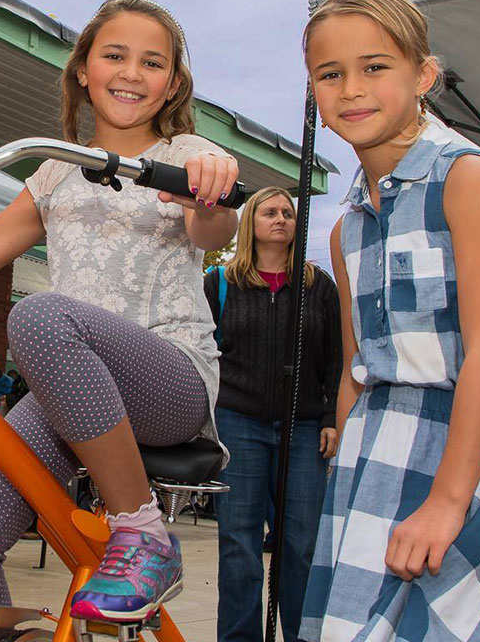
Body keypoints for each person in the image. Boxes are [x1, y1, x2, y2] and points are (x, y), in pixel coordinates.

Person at [0, 0, 239, 620]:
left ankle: (143, 532)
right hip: (70, 387)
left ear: (173, 83)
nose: (132, 73)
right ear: (82, 69)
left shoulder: (185, 158)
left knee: (41, 315)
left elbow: (213, 236)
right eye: (115, 56)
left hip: (170, 381)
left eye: (152, 63)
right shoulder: (55, 172)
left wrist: (214, 189)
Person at [298, 0, 480, 642]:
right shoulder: (346, 226)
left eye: (375, 67)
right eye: (330, 73)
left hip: (458, 453)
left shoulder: (469, 181)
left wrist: (450, 499)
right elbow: (355, 368)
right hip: (368, 460)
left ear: (423, 74)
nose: (352, 89)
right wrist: (344, 474)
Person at [206, 186, 342, 642]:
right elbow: (201, 353)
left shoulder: (317, 286)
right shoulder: (221, 282)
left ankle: (303, 635)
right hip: (238, 424)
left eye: (288, 212)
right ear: (252, 223)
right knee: (238, 544)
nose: (280, 219)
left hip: (303, 429)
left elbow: (335, 359)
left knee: (300, 545)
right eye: (269, 212)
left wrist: (330, 418)